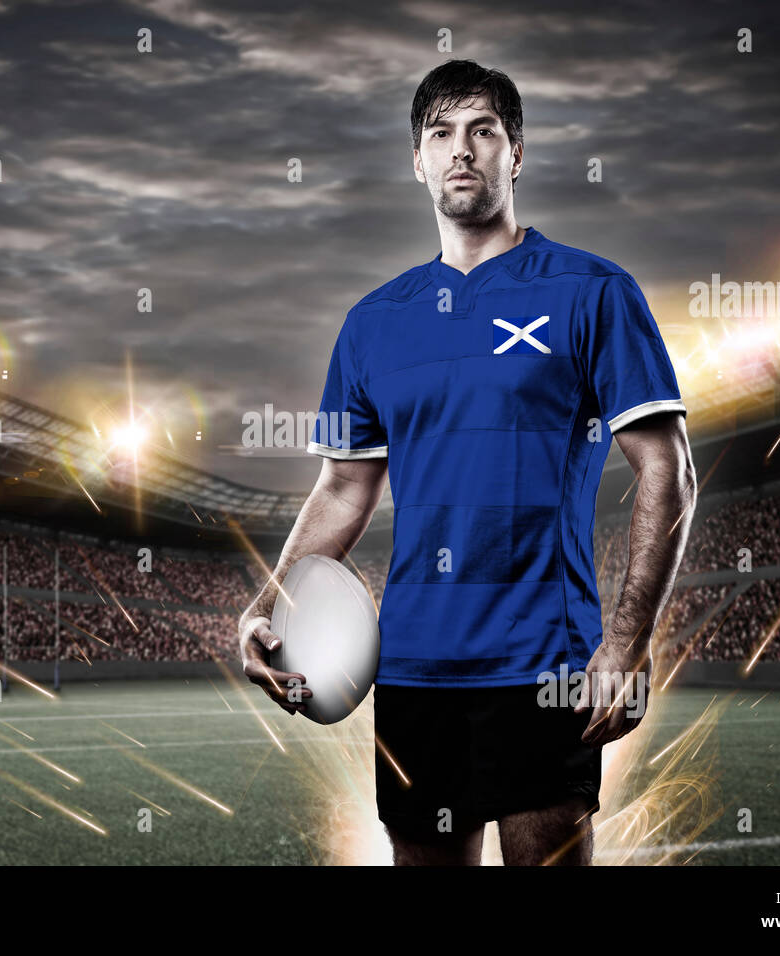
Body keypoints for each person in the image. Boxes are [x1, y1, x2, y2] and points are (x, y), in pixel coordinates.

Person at [239, 59, 695, 866]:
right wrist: (271, 603)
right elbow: (344, 487)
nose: (462, 150)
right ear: (417, 161)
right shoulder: (373, 323)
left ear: (515, 152)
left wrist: (626, 643)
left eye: (483, 130)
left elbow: (669, 470)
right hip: (413, 673)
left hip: (545, 667)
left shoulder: (592, 291)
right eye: (440, 134)